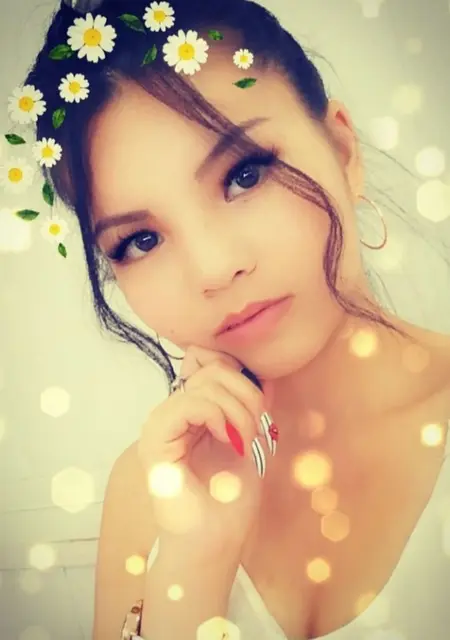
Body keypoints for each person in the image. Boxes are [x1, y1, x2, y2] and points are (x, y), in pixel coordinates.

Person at [8, 0, 450, 637]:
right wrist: (195, 563)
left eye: (244, 175)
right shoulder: (152, 487)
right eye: (140, 241)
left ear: (344, 151)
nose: (214, 268)